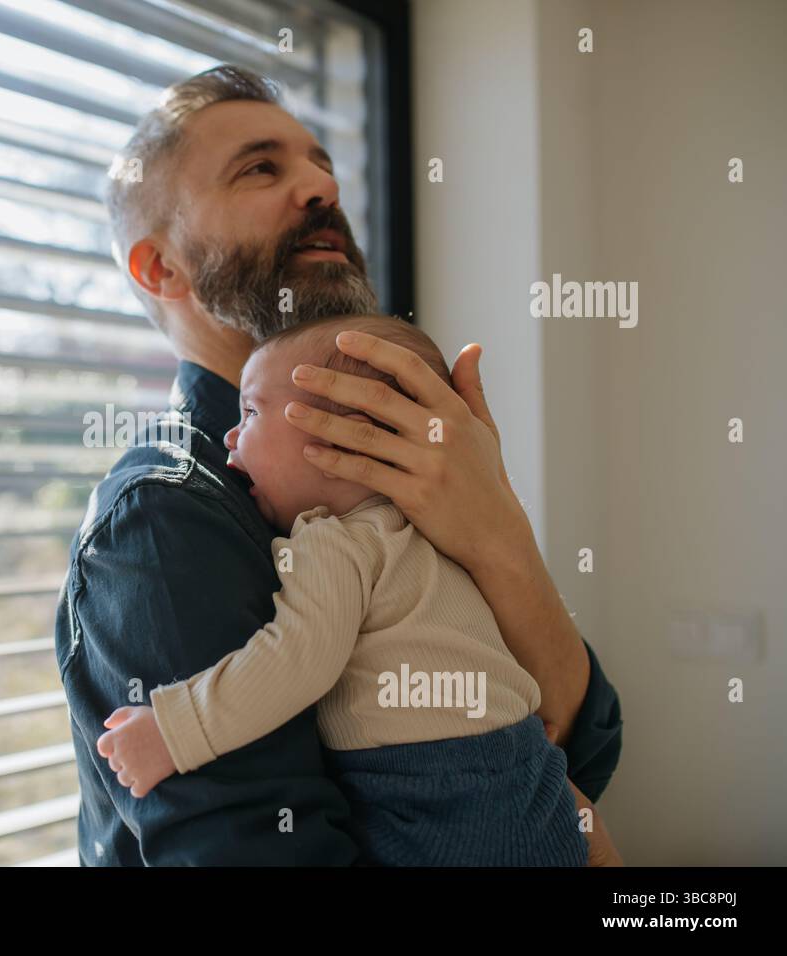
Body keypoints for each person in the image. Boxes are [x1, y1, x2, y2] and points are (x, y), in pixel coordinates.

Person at [54, 65, 622, 866]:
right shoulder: (164, 519)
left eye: (322, 163)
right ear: (161, 269)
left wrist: (499, 533)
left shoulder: (408, 460)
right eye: (261, 167)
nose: (322, 186)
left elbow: (582, 744)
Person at [95, 314, 606, 865]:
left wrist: (174, 731)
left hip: (442, 799)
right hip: (528, 776)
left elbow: (296, 659)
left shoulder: (336, 543)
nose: (229, 436)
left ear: (340, 439)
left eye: (250, 413)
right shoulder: (429, 533)